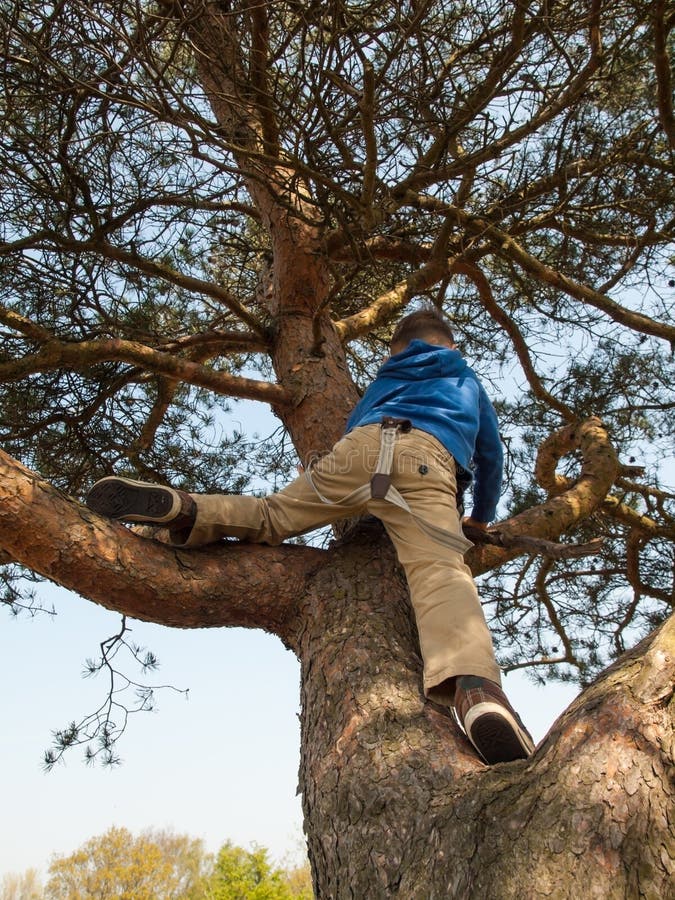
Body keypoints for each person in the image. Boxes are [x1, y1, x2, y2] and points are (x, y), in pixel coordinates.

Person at [86, 308, 535, 765]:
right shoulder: (465, 380)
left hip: (358, 451)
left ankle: (188, 509)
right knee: (440, 573)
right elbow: (490, 455)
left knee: (272, 514)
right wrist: (479, 519)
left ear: (396, 350)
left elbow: (351, 426)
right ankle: (478, 694)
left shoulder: (387, 378)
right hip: (427, 460)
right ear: (451, 345)